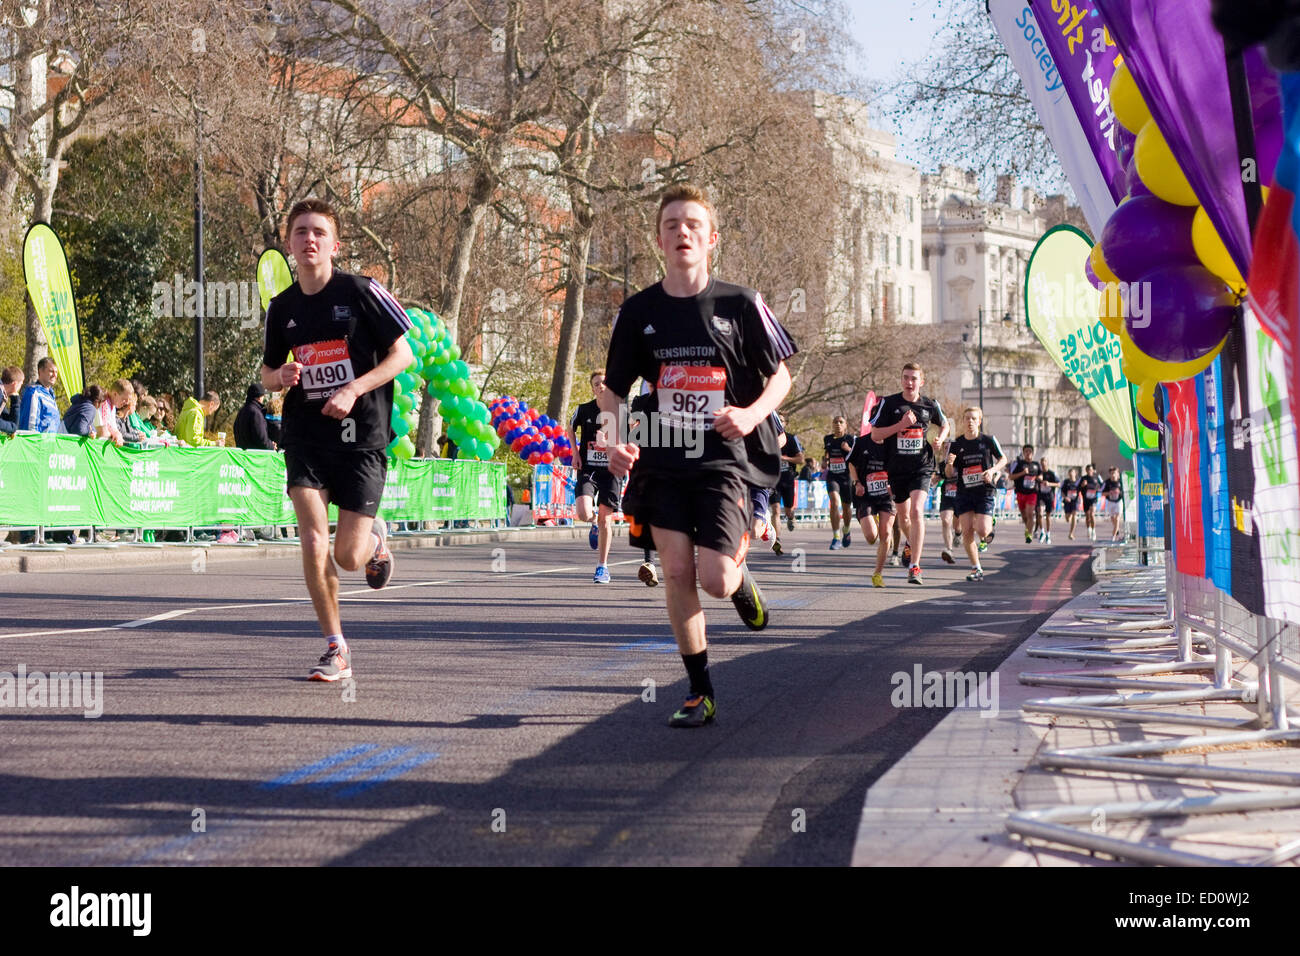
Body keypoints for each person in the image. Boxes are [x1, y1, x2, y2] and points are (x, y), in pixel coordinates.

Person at [600, 183, 796, 728]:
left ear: (712, 240)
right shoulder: (638, 311)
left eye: (692, 225)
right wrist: (614, 438)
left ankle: (740, 579)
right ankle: (699, 690)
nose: (681, 232)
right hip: (662, 459)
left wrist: (752, 414)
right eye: (671, 225)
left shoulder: (741, 303)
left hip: (722, 460)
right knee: (679, 573)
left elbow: (781, 375)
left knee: (715, 579)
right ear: (659, 240)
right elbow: (613, 390)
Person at [261, 196, 414, 681]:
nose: (309, 239)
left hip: (361, 436)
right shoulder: (281, 307)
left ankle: (375, 538)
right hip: (305, 436)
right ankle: (336, 647)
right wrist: (280, 375)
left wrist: (354, 387)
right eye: (301, 231)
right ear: (289, 243)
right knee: (311, 539)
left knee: (349, 556)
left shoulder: (363, 291)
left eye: (319, 232)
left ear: (334, 244)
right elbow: (266, 373)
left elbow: (402, 356)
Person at [870, 363, 948, 585]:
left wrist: (940, 439)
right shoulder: (889, 404)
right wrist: (900, 425)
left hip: (922, 466)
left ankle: (915, 567)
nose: (909, 382)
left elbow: (945, 425)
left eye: (914, 378)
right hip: (896, 468)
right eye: (905, 378)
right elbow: (875, 435)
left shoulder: (930, 404)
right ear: (901, 379)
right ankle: (910, 542)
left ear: (921, 381)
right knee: (904, 518)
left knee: (916, 511)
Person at [567, 370, 622, 584]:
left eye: (604, 383)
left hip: (611, 471)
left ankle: (602, 567)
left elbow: (632, 435)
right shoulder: (583, 409)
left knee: (606, 519)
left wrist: (609, 439)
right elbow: (570, 428)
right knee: (583, 512)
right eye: (597, 383)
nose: (601, 386)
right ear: (593, 388)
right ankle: (593, 523)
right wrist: (574, 452)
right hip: (588, 468)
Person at [945, 406, 1007, 581]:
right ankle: (976, 568)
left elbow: (1003, 459)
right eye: (967, 418)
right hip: (965, 492)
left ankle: (989, 524)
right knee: (967, 532)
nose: (970, 421)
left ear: (979, 421)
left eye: (973, 418)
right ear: (963, 421)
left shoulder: (988, 440)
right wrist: (949, 464)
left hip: (984, 491)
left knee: (982, 530)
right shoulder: (956, 444)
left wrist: (993, 470)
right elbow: (949, 474)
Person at [846, 420, 895, 587]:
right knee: (870, 537)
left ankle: (877, 574)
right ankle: (874, 521)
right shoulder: (861, 442)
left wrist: (893, 483)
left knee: (886, 535)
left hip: (887, 496)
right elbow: (851, 463)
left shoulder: (893, 443)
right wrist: (857, 483)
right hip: (865, 494)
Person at [823, 415, 855, 549]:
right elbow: (827, 454)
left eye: (841, 422)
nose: (838, 424)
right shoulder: (828, 439)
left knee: (846, 507)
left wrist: (847, 449)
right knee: (834, 503)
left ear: (845, 425)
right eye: (835, 422)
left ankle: (846, 530)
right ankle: (836, 537)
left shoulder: (850, 439)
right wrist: (825, 461)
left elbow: (856, 456)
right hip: (833, 476)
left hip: (846, 477)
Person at [771, 412, 803, 547]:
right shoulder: (767, 438)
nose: (778, 422)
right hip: (773, 480)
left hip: (787, 479)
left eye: (781, 421)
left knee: (788, 510)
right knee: (776, 510)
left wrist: (785, 459)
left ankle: (790, 517)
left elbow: (800, 459)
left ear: (785, 424)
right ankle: (776, 539)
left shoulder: (791, 438)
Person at [1007, 445, 1043, 543]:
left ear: (1033, 453)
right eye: (1026, 451)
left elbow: (1040, 475)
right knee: (1024, 516)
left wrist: (1040, 478)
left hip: (1032, 493)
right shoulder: (1019, 464)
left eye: (1030, 451)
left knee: (1030, 514)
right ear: (1023, 453)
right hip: (1020, 493)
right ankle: (1028, 528)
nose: (1028, 453)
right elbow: (1011, 477)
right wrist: (1022, 473)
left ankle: (1029, 534)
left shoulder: (1036, 465)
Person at [19, 357, 60, 433]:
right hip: (37, 443)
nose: (54, 375)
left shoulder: (51, 396)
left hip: (50, 443)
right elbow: (30, 425)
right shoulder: (34, 392)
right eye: (51, 371)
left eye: (56, 372)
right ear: (40, 371)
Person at [234, 382, 276, 451]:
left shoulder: (241, 411)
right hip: (255, 458)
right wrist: (271, 446)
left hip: (241, 457)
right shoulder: (256, 413)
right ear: (259, 397)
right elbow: (261, 438)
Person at [936, 460, 958, 565]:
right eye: (945, 447)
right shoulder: (942, 464)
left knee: (958, 526)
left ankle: (958, 533)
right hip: (947, 497)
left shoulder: (962, 458)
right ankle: (949, 549)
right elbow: (938, 476)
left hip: (961, 496)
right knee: (945, 520)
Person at [1036, 457, 1059, 544]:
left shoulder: (1052, 473)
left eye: (1044, 463)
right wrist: (1038, 478)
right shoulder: (1039, 473)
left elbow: (1058, 484)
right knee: (1040, 513)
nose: (1043, 465)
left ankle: (1048, 534)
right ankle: (1042, 532)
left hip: (1049, 496)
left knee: (1048, 516)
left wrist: (1049, 484)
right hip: (1041, 495)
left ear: (1047, 463)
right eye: (1041, 464)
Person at [1079, 463, 1102, 541]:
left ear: (1093, 471)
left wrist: (1098, 488)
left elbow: (1102, 485)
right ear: (1086, 470)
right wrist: (1082, 485)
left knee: (1092, 514)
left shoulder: (1096, 478)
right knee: (1087, 516)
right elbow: (1078, 487)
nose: (1090, 471)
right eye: (1088, 470)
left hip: (1094, 498)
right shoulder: (1083, 478)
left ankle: (1094, 531)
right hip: (1086, 499)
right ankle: (1088, 529)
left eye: (1091, 470)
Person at [1103, 465, 1125, 542]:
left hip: (1118, 502)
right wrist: (1109, 492)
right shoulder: (1107, 482)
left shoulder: (1121, 482)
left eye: (1114, 473)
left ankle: (1113, 537)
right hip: (1110, 502)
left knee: (1117, 518)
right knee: (1113, 519)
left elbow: (1125, 492)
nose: (1113, 475)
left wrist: (1120, 492)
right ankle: (1117, 531)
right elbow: (1102, 493)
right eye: (1111, 473)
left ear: (1117, 474)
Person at [1, 366, 23, 435]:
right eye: (21, 384)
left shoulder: (2, 395)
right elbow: (13, 426)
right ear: (15, 384)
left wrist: (15, 398)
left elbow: (9, 420)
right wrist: (12, 428)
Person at [1060, 466, 1081, 539]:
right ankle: (1071, 517)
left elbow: (1083, 489)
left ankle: (1071, 534)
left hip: (1075, 501)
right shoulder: (1066, 482)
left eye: (1072, 473)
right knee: (1067, 518)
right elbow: (1062, 491)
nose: (1071, 474)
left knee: (1074, 515)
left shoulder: (1078, 482)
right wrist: (1065, 497)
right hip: (1067, 501)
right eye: (1070, 473)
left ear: (1075, 473)